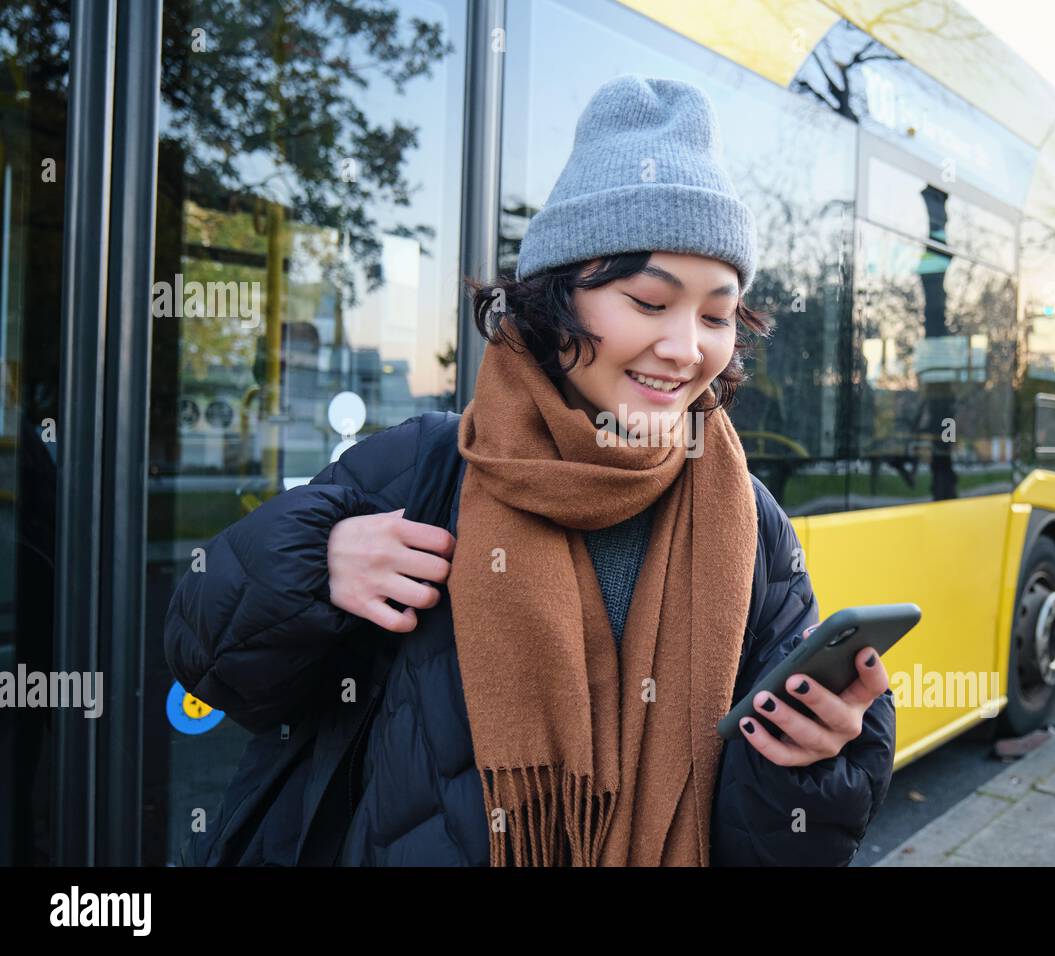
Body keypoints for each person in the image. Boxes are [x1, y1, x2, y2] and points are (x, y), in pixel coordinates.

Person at [165, 74, 895, 866]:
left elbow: (773, 845)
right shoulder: (426, 465)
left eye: (717, 315)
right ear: (556, 300)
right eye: (650, 302)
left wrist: (815, 761)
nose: (689, 348)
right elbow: (210, 660)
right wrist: (314, 564)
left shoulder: (750, 520)